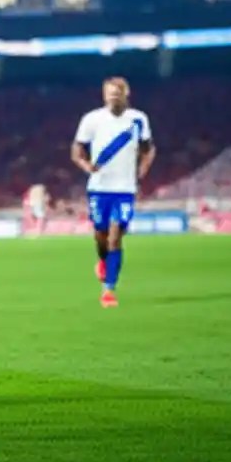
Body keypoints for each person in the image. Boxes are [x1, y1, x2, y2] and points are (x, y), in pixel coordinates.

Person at [70, 76, 155, 308]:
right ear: (104, 95)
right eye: (109, 93)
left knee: (115, 237)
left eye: (117, 93)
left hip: (125, 189)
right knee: (101, 235)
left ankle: (108, 290)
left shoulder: (138, 119)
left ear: (126, 94)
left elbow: (148, 149)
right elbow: (76, 150)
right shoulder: (92, 119)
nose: (113, 97)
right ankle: (103, 261)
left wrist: (144, 167)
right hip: (99, 188)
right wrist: (87, 166)